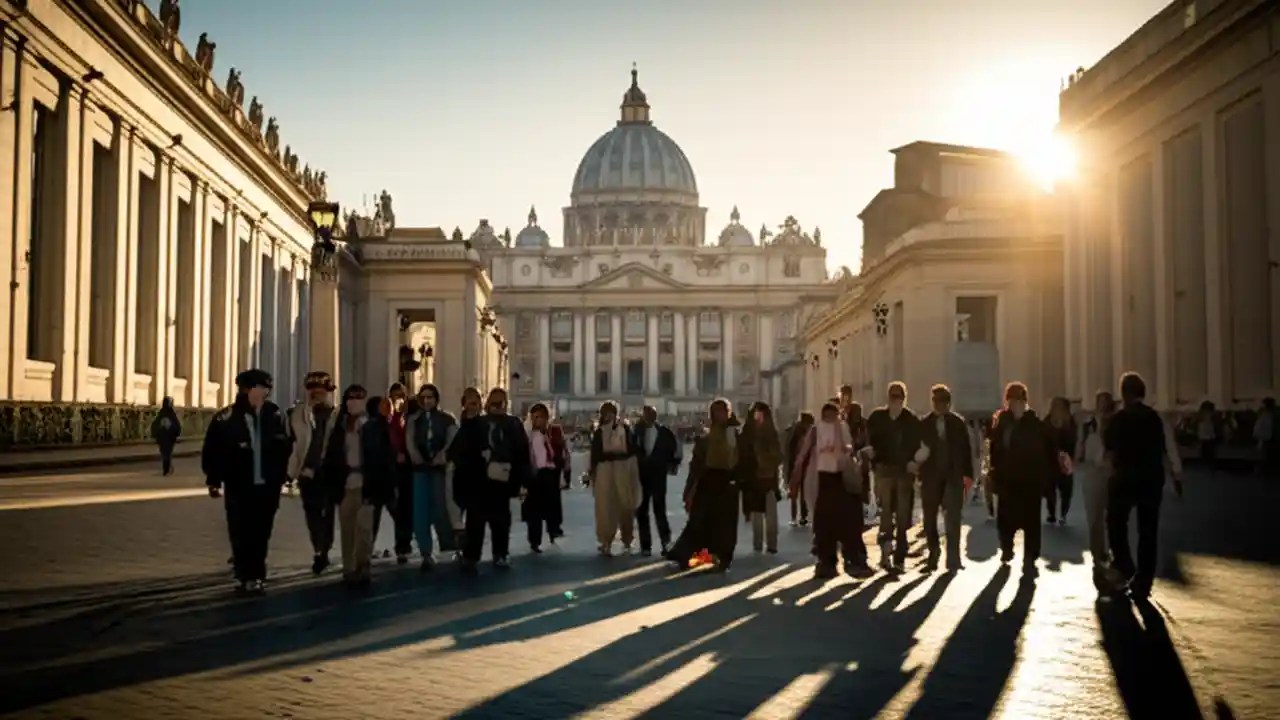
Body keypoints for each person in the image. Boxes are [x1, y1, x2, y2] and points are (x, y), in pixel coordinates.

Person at [202, 369, 292, 595]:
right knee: (240, 531)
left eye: (267, 388)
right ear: (246, 389)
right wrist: (213, 479)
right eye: (261, 387)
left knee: (262, 531)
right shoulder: (227, 417)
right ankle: (244, 574)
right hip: (239, 485)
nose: (265, 392)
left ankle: (257, 574)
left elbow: (284, 446)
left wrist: (283, 476)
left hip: (267, 485)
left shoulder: (274, 414)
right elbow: (213, 450)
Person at [1105, 372, 1183, 600]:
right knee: (1148, 531)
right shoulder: (1157, 418)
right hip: (1151, 481)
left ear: (1124, 394)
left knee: (1116, 524)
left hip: (1123, 481)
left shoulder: (1117, 419)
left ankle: (1124, 565)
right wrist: (1177, 476)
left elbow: (1108, 452)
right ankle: (1144, 581)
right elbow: (1170, 449)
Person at [321, 386, 396, 586]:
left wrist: (383, 485)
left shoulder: (373, 426)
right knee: (347, 528)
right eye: (350, 398)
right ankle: (349, 567)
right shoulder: (339, 425)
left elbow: (384, 457)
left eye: (357, 398)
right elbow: (330, 453)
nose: (352, 402)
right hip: (345, 483)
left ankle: (363, 564)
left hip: (366, 482)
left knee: (364, 528)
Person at [451, 387, 530, 573]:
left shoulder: (513, 424)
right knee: (475, 521)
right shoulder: (476, 423)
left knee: (501, 521)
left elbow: (522, 453)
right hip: (478, 481)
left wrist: (522, 480)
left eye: (501, 403)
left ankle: (500, 553)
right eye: (493, 403)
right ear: (487, 404)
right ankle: (471, 556)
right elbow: (460, 448)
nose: (497, 407)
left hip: (501, 481)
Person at [791, 401, 873, 579]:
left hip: (841, 480)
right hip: (824, 481)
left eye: (833, 415)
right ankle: (829, 562)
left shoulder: (841, 428)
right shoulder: (816, 430)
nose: (830, 419)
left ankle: (852, 561)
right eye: (827, 416)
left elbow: (849, 449)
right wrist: (795, 478)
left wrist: (846, 450)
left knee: (848, 523)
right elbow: (803, 455)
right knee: (825, 524)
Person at [988, 381, 1055, 579]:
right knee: (1005, 519)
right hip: (1007, 480)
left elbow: (1045, 452)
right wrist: (993, 472)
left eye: (1019, 399)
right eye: (1012, 400)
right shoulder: (1002, 422)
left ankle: (1030, 557)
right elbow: (994, 449)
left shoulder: (1035, 423)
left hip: (1030, 481)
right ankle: (1006, 548)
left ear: (1025, 401)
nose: (1015, 403)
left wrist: (1046, 480)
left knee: (1032, 522)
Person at [666, 398, 740, 572]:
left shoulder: (734, 434)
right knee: (699, 521)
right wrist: (690, 489)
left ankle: (723, 557)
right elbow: (697, 465)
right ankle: (686, 555)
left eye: (722, 412)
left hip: (727, 482)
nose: (719, 415)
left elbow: (740, 457)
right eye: (715, 412)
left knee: (726, 524)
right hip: (708, 481)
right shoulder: (707, 437)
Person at [865, 381, 929, 572]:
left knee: (902, 516)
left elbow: (917, 445)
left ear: (904, 398)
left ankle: (899, 556)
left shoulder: (911, 420)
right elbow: (872, 443)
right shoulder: (877, 418)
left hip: (903, 474)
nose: (895, 401)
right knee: (885, 514)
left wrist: (914, 463)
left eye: (898, 397)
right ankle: (886, 553)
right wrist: (873, 459)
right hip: (885, 472)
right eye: (893, 397)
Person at [286, 371, 339, 575]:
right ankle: (319, 550)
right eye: (313, 392)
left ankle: (324, 548)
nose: (317, 396)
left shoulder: (336, 415)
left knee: (328, 513)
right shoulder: (296, 414)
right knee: (312, 513)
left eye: (321, 392)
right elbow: (291, 444)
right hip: (307, 472)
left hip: (329, 472)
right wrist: (290, 472)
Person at [918, 384, 973, 573]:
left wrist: (968, 475)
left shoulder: (958, 423)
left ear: (948, 403)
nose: (938, 404)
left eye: (942, 401)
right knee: (929, 519)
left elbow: (966, 450)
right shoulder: (924, 424)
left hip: (952, 476)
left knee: (953, 519)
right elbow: (918, 449)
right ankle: (933, 553)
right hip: (931, 477)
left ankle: (953, 558)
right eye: (935, 401)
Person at [404, 383, 459, 572]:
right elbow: (409, 441)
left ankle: (449, 544)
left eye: (430, 397)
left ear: (436, 399)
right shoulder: (414, 420)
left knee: (441, 507)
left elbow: (453, 439)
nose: (427, 401)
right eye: (424, 397)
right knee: (420, 512)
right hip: (420, 470)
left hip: (439, 470)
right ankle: (426, 552)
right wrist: (416, 457)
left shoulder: (446, 419)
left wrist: (442, 456)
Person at [588, 401, 643, 556]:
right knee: (605, 507)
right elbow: (595, 455)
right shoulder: (599, 432)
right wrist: (592, 474)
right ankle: (606, 541)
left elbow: (632, 450)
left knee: (626, 506)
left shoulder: (625, 429)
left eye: (611, 412)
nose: (609, 416)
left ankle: (627, 538)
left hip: (622, 469)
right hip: (605, 470)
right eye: (606, 413)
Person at [1075, 390, 1116, 590]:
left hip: (1112, 475)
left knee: (1112, 517)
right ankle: (1097, 552)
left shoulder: (1117, 424)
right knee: (1094, 518)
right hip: (1092, 475)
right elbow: (1079, 450)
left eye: (1105, 403)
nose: (1102, 407)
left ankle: (1109, 552)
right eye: (1100, 403)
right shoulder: (1087, 425)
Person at [371, 383, 413, 563]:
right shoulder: (385, 419)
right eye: (394, 396)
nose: (398, 399)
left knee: (401, 511)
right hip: (385, 469)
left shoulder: (410, 417)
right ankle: (367, 547)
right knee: (376, 511)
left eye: (401, 395)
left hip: (405, 470)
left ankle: (403, 546)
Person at [633, 406, 681, 556]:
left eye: (651, 415)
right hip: (641, 475)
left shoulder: (664, 433)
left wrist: (672, 465)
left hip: (658, 475)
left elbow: (675, 450)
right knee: (642, 511)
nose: (649, 417)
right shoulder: (636, 432)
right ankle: (645, 545)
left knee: (659, 510)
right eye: (646, 415)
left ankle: (665, 542)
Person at [738, 401, 784, 554]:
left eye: (761, 415)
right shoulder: (747, 434)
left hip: (769, 478)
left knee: (771, 515)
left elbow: (779, 456)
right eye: (756, 415)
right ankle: (757, 544)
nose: (759, 418)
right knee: (757, 514)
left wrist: (767, 460)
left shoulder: (772, 435)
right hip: (753, 479)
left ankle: (772, 544)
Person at [523, 402, 567, 553]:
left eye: (543, 417)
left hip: (550, 473)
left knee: (552, 505)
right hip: (535, 475)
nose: (540, 420)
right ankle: (534, 540)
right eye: (537, 417)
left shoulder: (550, 433)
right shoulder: (528, 435)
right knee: (534, 510)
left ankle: (553, 529)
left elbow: (558, 451)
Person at [1045, 396, 1078, 525]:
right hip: (1050, 461)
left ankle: (1063, 514)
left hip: (1066, 461)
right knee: (1050, 489)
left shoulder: (1070, 423)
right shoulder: (1047, 422)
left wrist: (1067, 455)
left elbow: (1073, 441)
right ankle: (1052, 513)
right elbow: (1043, 440)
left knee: (1066, 490)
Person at [783, 412, 815, 527]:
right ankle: (798, 516)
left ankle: (800, 516)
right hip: (798, 465)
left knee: (799, 492)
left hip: (800, 465)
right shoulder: (798, 433)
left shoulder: (796, 432)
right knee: (797, 492)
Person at [151, 397, 181, 476]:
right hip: (164, 437)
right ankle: (167, 468)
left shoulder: (166, 414)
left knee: (166, 453)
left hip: (167, 438)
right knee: (166, 453)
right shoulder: (165, 414)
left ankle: (166, 468)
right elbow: (155, 425)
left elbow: (177, 427)